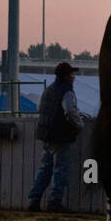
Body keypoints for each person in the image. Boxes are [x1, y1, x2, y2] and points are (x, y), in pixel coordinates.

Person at [27, 62, 88, 212]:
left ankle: (34, 200)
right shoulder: (67, 92)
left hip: (46, 134)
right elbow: (70, 112)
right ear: (67, 76)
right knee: (60, 169)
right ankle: (54, 202)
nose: (73, 77)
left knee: (44, 169)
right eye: (72, 74)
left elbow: (40, 107)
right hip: (60, 136)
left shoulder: (48, 90)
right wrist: (80, 125)